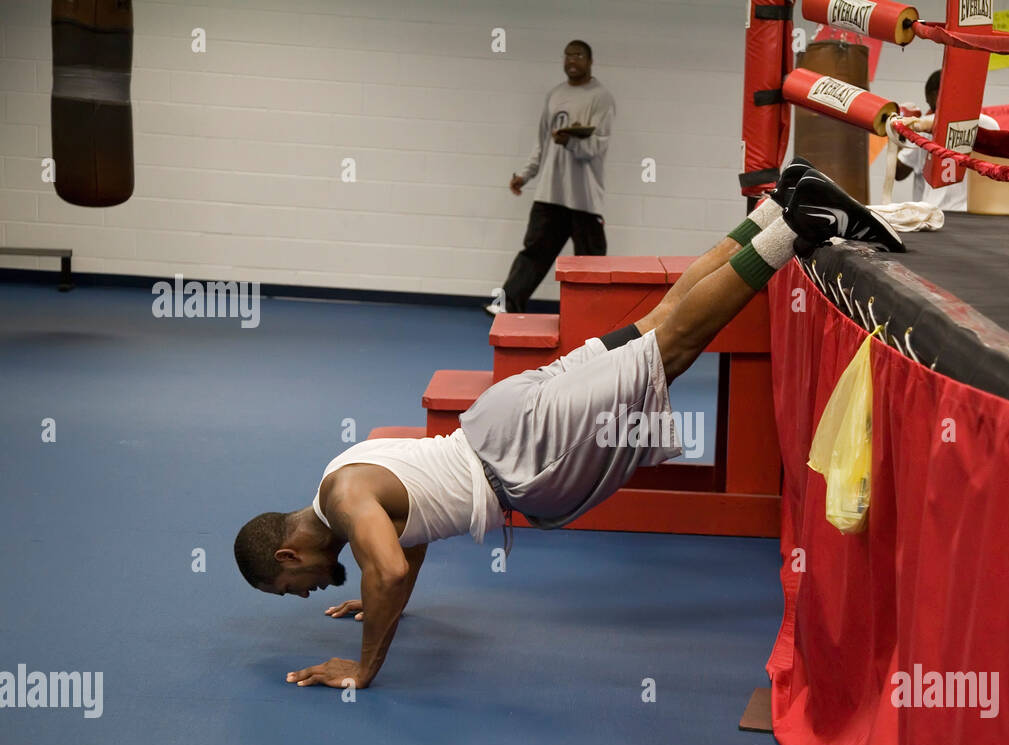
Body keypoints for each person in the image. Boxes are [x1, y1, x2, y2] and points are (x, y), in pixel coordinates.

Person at [234, 163, 904, 691]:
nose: (306, 594)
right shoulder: (337, 480)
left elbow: (383, 563)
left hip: (522, 450)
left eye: (289, 588)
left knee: (672, 347)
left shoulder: (348, 504)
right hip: (505, 422)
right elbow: (403, 548)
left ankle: (798, 225)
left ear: (287, 557)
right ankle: (771, 211)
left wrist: (363, 665)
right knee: (661, 323)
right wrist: (383, 600)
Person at [487, 40, 614, 318]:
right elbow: (542, 143)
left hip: (585, 198)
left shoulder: (600, 97)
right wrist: (525, 175)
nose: (572, 60)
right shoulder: (555, 95)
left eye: (578, 55)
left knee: (589, 261)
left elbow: (597, 147)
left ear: (590, 62)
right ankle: (508, 304)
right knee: (534, 252)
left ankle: (593, 314)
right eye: (567, 55)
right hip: (550, 194)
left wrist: (570, 142)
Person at [895, 70, 1000, 212]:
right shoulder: (990, 124)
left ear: (936, 94)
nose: (930, 107)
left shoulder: (926, 125)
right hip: (977, 213)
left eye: (929, 100)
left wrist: (900, 133)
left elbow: (898, 172)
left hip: (935, 212)